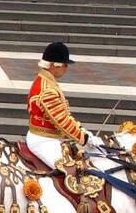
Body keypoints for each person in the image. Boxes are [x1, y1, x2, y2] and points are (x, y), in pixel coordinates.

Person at [25, 41, 93, 170]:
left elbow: (63, 115)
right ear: (54, 66)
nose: (66, 68)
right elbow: (62, 121)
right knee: (71, 172)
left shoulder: (46, 81)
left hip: (51, 137)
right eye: (64, 65)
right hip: (43, 140)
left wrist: (81, 129)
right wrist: (83, 138)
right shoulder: (48, 89)